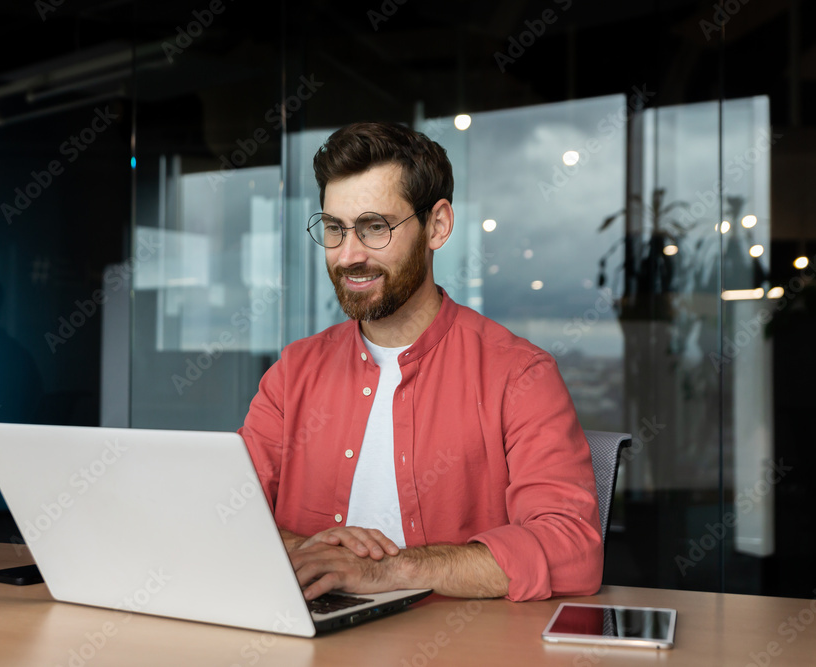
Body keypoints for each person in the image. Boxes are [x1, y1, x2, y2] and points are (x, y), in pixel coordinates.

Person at [238, 121, 602, 602]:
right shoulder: (293, 373)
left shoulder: (519, 374)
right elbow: (226, 511)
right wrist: (312, 555)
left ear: (438, 226)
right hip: (306, 631)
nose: (348, 256)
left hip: (459, 639)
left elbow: (572, 550)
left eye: (374, 227)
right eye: (334, 229)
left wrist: (391, 570)